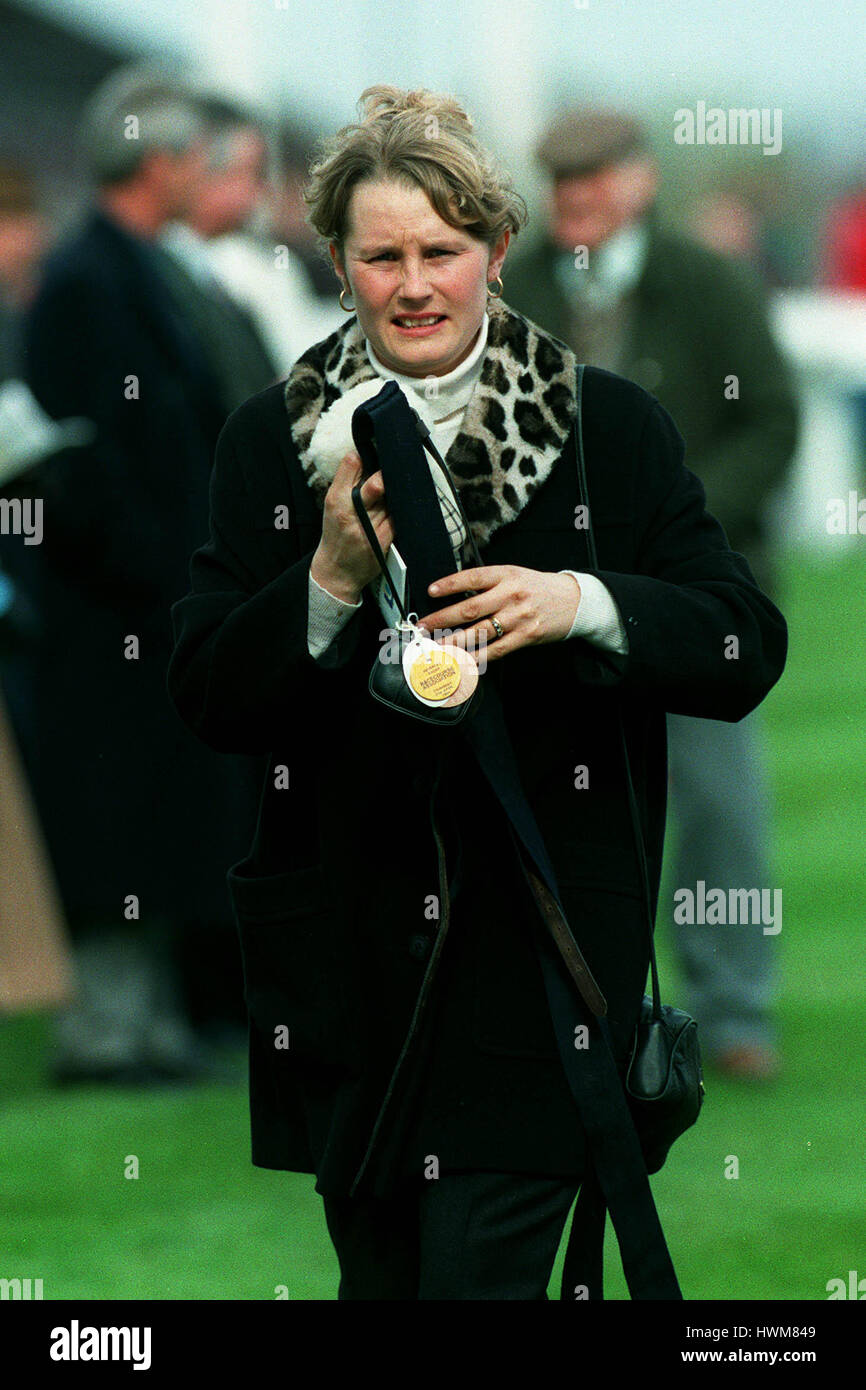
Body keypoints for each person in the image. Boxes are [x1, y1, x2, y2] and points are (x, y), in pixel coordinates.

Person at [167, 86, 787, 1300]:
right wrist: (331, 578)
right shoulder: (269, 440)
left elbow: (738, 645)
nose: (412, 284)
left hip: (544, 959)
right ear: (335, 264)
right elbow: (205, 696)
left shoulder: (606, 428)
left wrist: (582, 601)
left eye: (441, 252)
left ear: (496, 251)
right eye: (380, 254)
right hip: (346, 963)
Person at [505, 108, 799, 1080]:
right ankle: (584, 1013)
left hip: (693, 602)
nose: (574, 205)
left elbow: (769, 418)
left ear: (636, 180)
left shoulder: (707, 280)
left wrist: (682, 527)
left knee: (719, 809)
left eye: (591, 182)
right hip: (555, 602)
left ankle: (732, 1009)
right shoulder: (522, 283)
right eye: (560, 186)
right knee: (576, 810)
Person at [22, 68, 259, 1084]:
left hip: (154, 600)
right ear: (160, 162)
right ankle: (109, 1031)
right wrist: (155, 565)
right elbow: (77, 455)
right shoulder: (86, 277)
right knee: (115, 824)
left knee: (160, 821)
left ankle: (149, 1021)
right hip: (109, 611)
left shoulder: (133, 268)